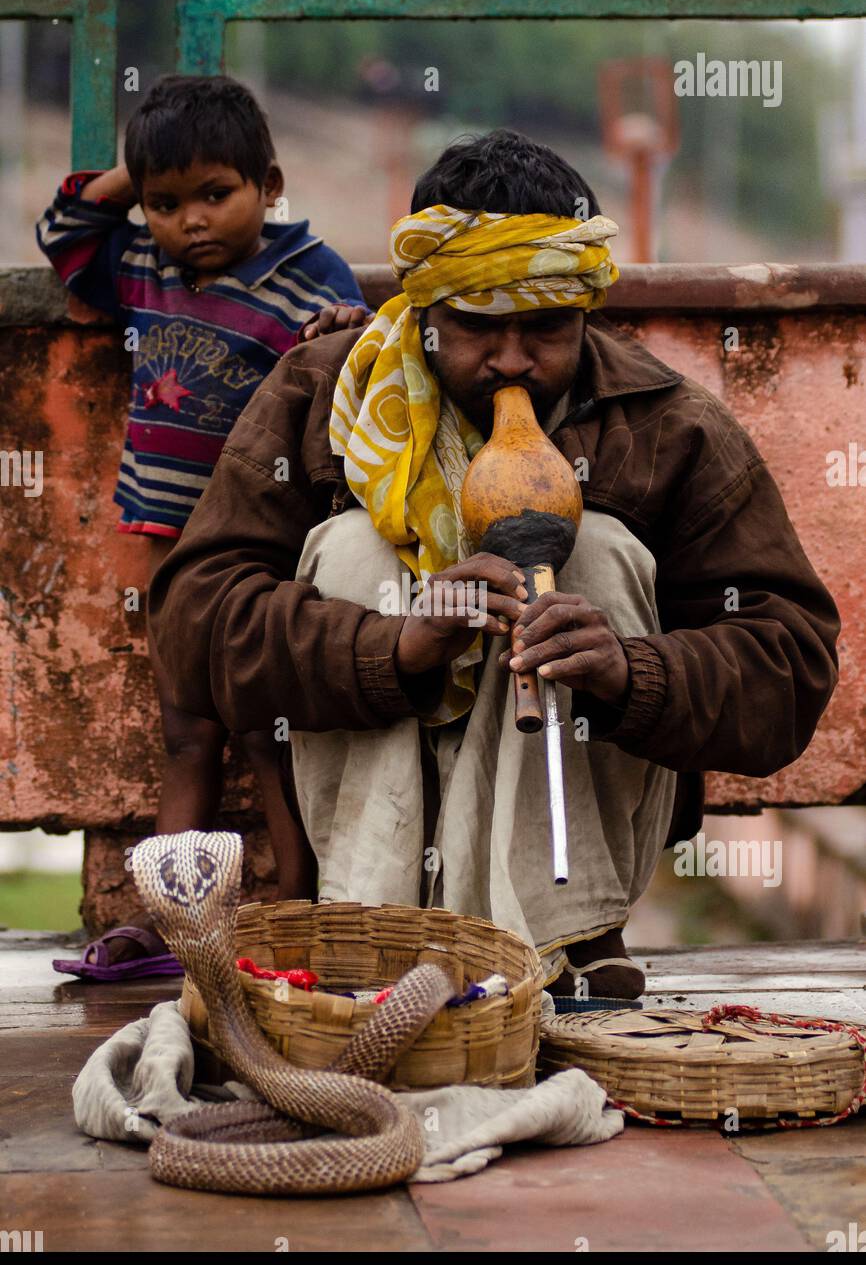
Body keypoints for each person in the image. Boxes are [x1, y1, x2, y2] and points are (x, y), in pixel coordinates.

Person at [146, 129, 841, 998]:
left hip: (583, 832)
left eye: (545, 328)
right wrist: (389, 649)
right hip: (366, 878)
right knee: (360, 548)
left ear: (586, 309)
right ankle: (376, 924)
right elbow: (190, 624)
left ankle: (568, 941)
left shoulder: (670, 427)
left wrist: (631, 672)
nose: (513, 360)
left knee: (596, 548)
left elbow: (792, 656)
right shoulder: (322, 393)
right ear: (426, 309)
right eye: (477, 327)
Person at [37, 74, 370, 978]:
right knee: (187, 734)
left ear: (269, 183)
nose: (189, 222)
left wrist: (344, 331)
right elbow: (62, 236)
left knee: (267, 731)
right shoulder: (142, 267)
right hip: (165, 550)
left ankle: (297, 907)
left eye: (214, 195)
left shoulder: (312, 280)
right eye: (165, 203)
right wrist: (130, 175)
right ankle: (170, 923)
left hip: (258, 551)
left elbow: (370, 372)